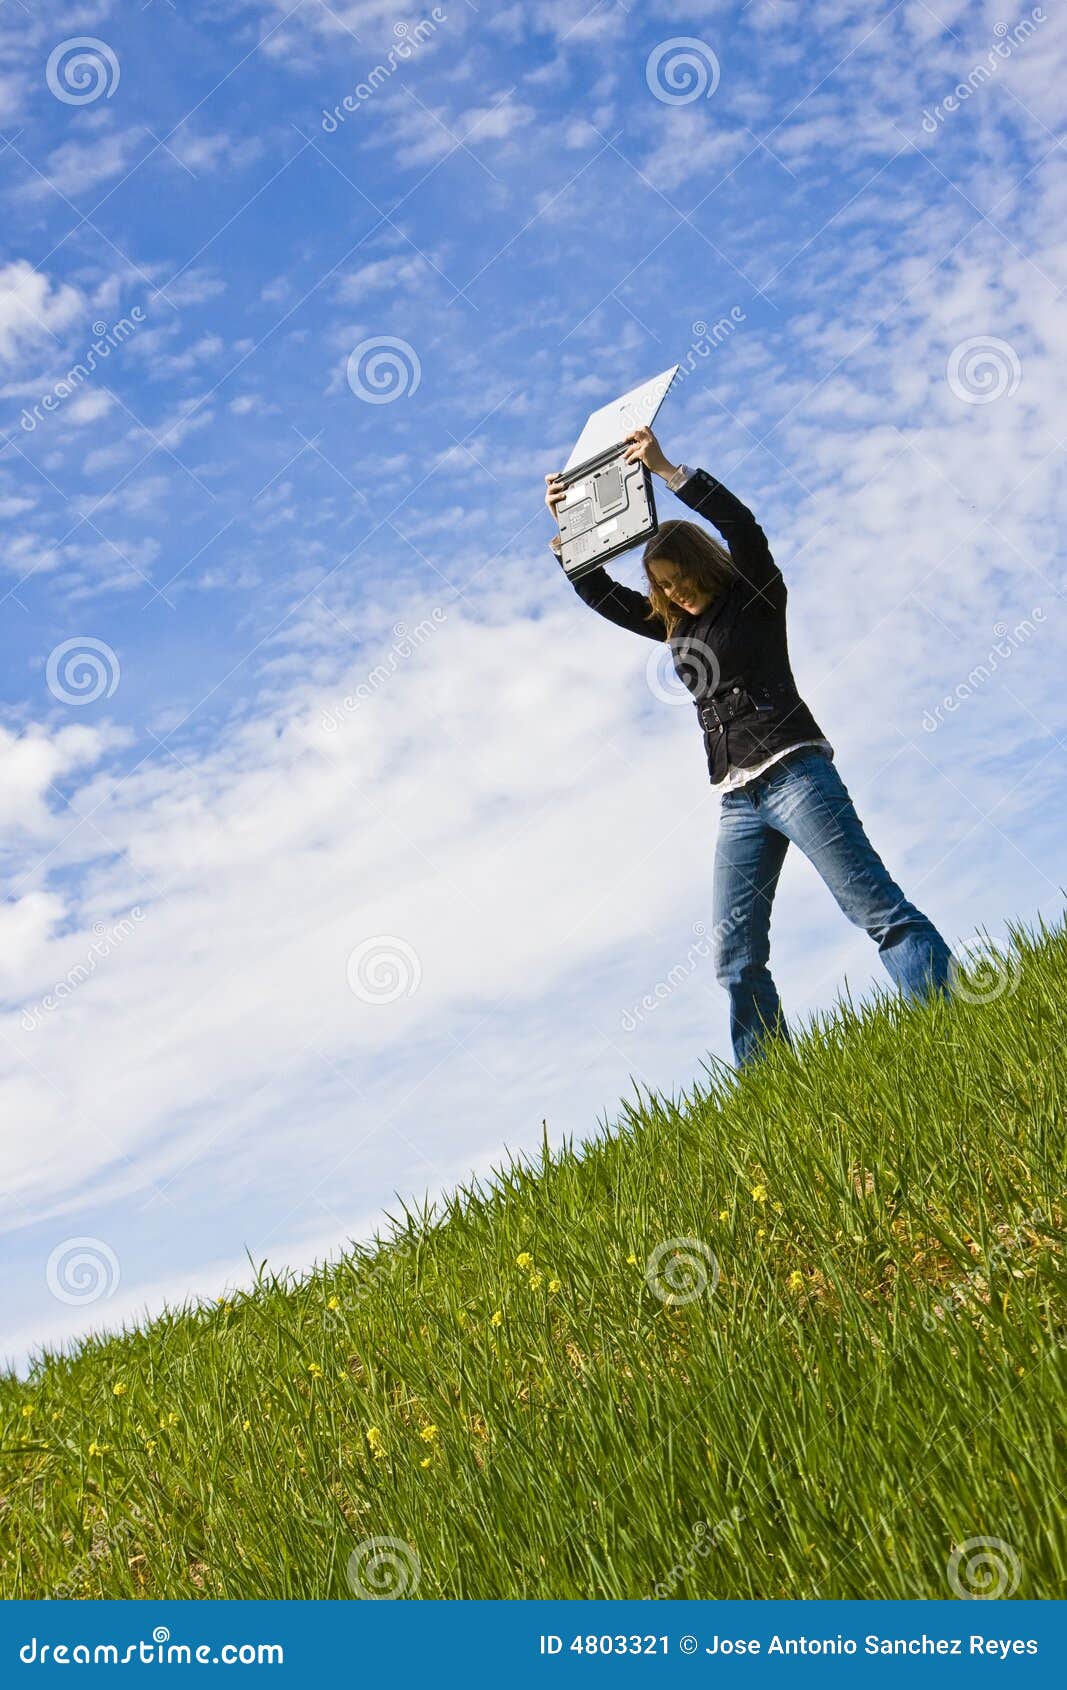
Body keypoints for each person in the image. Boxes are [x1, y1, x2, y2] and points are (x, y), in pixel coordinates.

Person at [545, 426, 953, 1069]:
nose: (674, 593)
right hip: (736, 799)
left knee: (876, 908)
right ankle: (769, 1087)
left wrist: (667, 469)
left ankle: (946, 1027)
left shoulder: (756, 592)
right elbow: (604, 597)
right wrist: (574, 532)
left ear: (702, 565)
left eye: (681, 579)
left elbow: (743, 525)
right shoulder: (678, 630)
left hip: (794, 772)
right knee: (733, 956)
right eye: (663, 586)